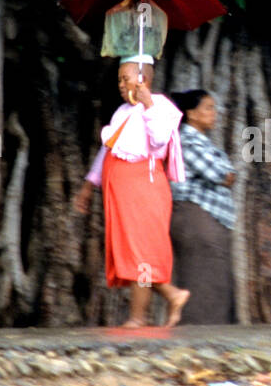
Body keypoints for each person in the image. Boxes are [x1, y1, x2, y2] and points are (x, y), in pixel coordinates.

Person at [74, 56, 191, 327]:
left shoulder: (161, 105)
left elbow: (160, 139)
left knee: (141, 250)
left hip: (144, 187)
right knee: (130, 249)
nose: (120, 84)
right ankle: (172, 295)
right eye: (119, 79)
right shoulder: (121, 113)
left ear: (144, 80)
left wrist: (148, 104)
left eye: (125, 78)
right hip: (121, 191)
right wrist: (87, 186)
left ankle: (139, 317)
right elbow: (107, 151)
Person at [168, 89, 236, 324]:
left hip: (207, 219)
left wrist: (227, 174)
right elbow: (219, 173)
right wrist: (226, 174)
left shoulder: (201, 141)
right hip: (196, 218)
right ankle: (200, 336)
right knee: (202, 280)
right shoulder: (187, 140)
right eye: (208, 107)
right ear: (191, 114)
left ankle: (212, 335)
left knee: (214, 279)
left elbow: (229, 174)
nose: (214, 113)